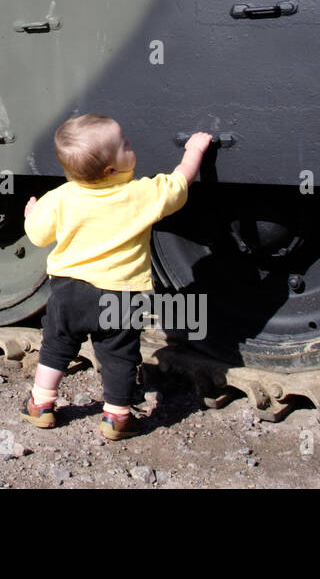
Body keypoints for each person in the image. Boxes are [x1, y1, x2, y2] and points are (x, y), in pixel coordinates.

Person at [20, 114, 211, 440]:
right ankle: (118, 417)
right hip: (121, 295)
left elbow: (38, 236)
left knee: (55, 347)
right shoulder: (141, 194)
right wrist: (194, 149)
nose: (130, 145)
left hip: (69, 291)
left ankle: (41, 404)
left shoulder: (61, 197)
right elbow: (181, 182)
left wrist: (30, 214)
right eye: (125, 145)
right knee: (120, 356)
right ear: (111, 169)